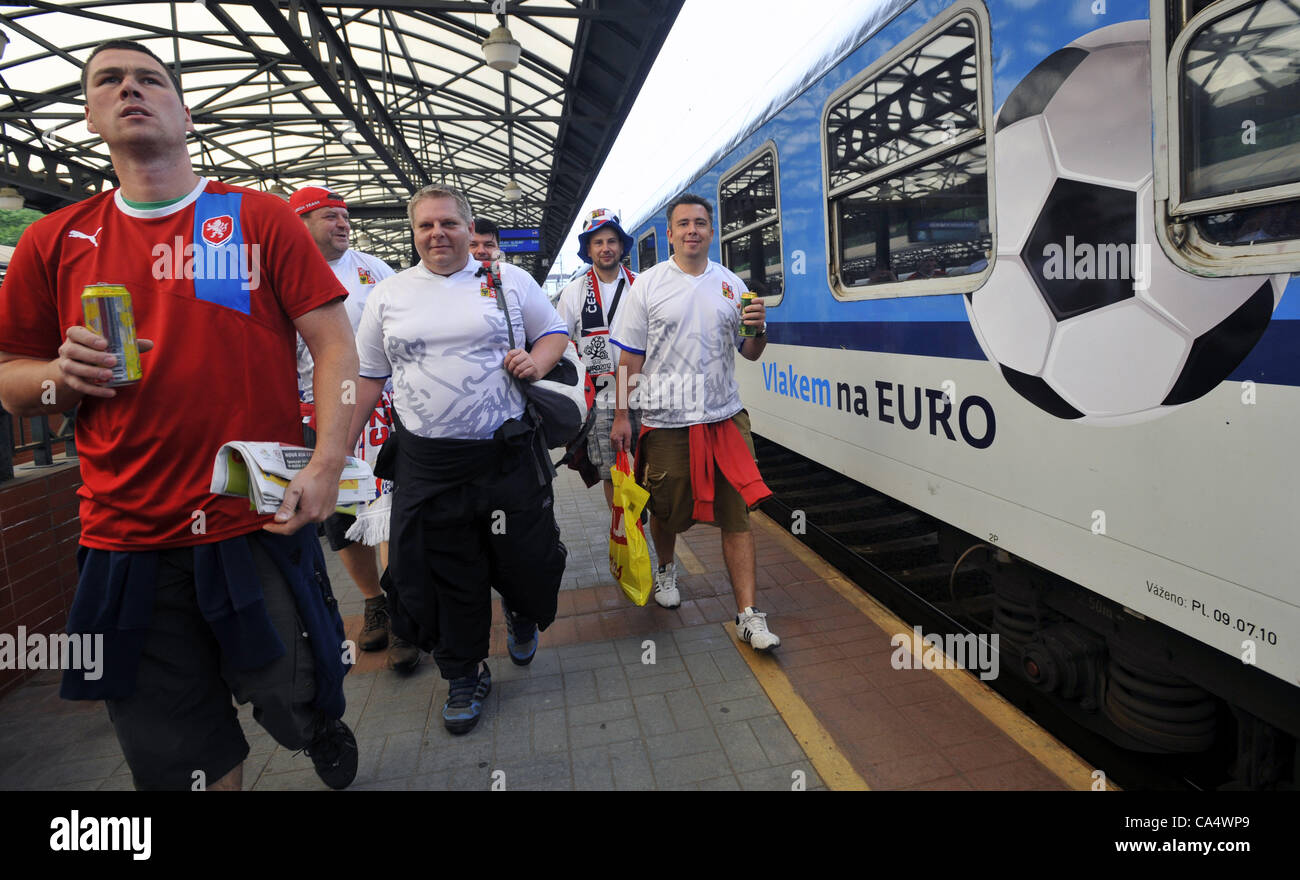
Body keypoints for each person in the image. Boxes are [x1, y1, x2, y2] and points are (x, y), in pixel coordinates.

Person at [0, 40, 361, 790]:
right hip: (124, 537)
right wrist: (58, 378)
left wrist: (327, 465)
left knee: (296, 689)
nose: (130, 88)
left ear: (186, 114)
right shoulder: (52, 241)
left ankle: (318, 721)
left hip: (255, 518)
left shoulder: (254, 219)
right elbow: (11, 382)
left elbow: (335, 348)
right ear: (93, 116)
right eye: (109, 82)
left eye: (150, 79)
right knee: (180, 762)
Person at [349, 184, 569, 734]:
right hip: (428, 464)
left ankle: (521, 611)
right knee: (443, 572)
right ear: (413, 232)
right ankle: (464, 673)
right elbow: (369, 376)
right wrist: (333, 451)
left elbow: (555, 332)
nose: (436, 234)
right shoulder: (390, 295)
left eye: (447, 223)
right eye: (425, 225)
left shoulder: (507, 280)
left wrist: (536, 364)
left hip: (506, 453)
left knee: (524, 556)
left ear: (468, 229)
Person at [610, 193, 781, 651]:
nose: (692, 230)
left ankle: (748, 614)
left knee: (737, 514)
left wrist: (759, 329)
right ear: (669, 233)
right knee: (666, 510)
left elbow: (750, 352)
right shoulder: (646, 286)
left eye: (700, 223)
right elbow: (630, 356)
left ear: (711, 230)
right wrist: (622, 414)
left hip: (724, 417)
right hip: (666, 421)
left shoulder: (731, 285)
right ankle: (665, 569)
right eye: (683, 223)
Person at [289, 185, 419, 672]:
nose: (343, 223)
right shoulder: (280, 269)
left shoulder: (372, 268)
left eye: (345, 216)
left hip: (380, 407)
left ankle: (405, 610)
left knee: (390, 511)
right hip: (316, 413)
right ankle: (374, 601)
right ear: (301, 223)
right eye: (329, 217)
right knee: (341, 520)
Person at [555, 208, 638, 508]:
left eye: (611, 241)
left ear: (621, 246)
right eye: (598, 242)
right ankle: (624, 530)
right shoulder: (574, 292)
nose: (606, 248)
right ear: (588, 250)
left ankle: (644, 521)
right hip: (601, 396)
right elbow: (559, 342)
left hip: (645, 391)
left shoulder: (640, 285)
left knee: (651, 467)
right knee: (612, 471)